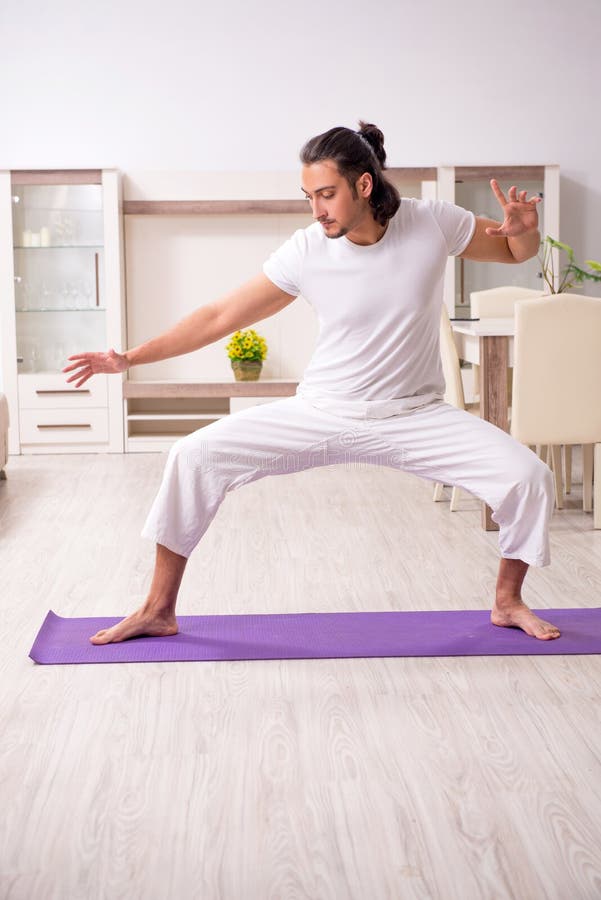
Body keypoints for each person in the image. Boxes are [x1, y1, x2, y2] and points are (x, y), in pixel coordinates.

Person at [63, 121, 559, 645]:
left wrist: (525, 227)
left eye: (326, 194)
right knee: (191, 456)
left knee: (529, 477)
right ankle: (158, 609)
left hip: (416, 415)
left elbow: (513, 252)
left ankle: (507, 602)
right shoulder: (307, 250)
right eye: (309, 197)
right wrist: (129, 358)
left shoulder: (433, 222)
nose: (316, 209)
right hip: (324, 411)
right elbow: (218, 316)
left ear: (363, 185)